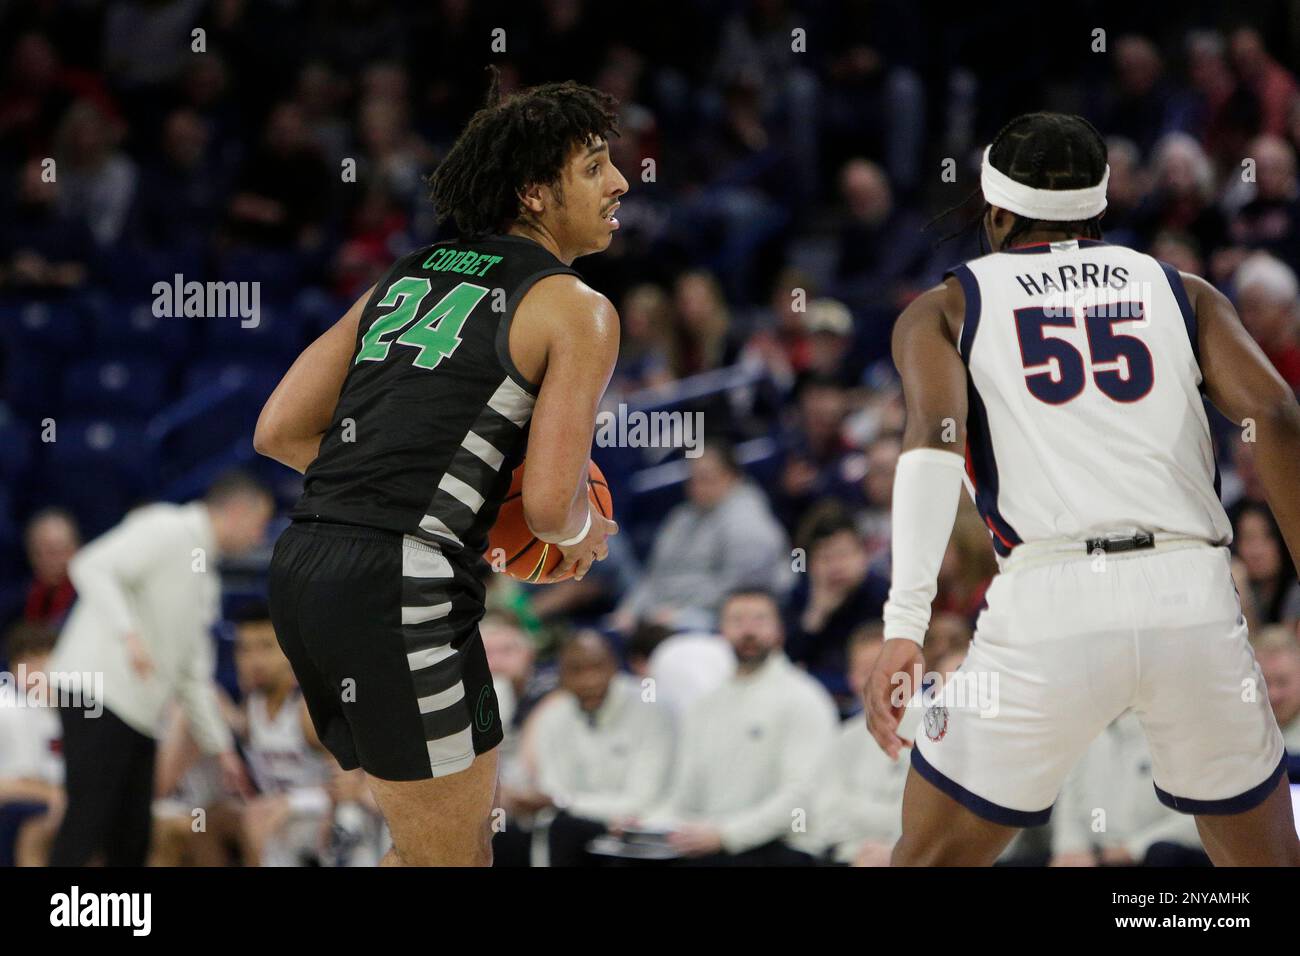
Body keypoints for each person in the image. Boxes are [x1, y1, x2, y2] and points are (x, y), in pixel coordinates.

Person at [865, 111, 1300, 867]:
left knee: (931, 856)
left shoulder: (948, 306)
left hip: (1051, 599)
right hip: (1192, 593)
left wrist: (905, 625)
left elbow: (933, 447)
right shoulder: (1179, 289)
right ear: (1100, 208)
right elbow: (1277, 415)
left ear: (996, 210)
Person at [255, 71, 625, 866]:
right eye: (594, 166)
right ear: (533, 192)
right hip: (402, 583)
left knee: (428, 851)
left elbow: (279, 430)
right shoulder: (576, 306)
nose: (621, 181)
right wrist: (589, 536)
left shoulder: (405, 272)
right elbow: (557, 509)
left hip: (303, 567)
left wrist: (402, 489)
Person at [47, 471, 273, 866]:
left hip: (138, 714)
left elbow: (193, 676)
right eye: (258, 524)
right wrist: (128, 634)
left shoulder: (205, 578)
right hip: (98, 693)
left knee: (133, 836)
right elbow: (89, 564)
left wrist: (222, 751)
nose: (258, 538)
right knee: (89, 820)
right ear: (237, 511)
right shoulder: (167, 527)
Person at [636, 588, 838, 865]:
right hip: (709, 841)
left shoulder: (805, 698)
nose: (748, 630)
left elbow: (800, 798)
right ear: (721, 632)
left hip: (784, 846)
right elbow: (683, 795)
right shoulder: (704, 706)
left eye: (759, 620)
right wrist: (643, 823)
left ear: (779, 630)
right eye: (737, 620)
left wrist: (726, 835)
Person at [527, 631, 676, 866]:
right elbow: (551, 790)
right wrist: (565, 804)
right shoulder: (552, 717)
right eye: (576, 670)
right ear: (560, 675)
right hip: (583, 826)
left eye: (597, 667)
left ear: (615, 666)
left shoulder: (652, 709)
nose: (589, 680)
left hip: (646, 829)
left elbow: (643, 800)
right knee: (530, 832)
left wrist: (567, 803)